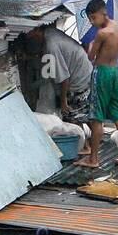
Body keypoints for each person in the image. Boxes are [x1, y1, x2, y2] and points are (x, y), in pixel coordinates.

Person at [26, 26, 93, 155]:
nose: (27, 34)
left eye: (29, 31)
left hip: (78, 77)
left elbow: (64, 78)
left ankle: (85, 146)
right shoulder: (49, 34)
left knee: (72, 115)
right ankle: (90, 142)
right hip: (83, 71)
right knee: (83, 114)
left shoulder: (51, 45)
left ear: (36, 30)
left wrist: (63, 101)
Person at [82, 0, 118, 168]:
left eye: (93, 18)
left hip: (101, 74)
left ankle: (93, 159)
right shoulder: (116, 26)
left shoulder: (102, 34)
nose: (92, 22)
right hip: (115, 72)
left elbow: (91, 56)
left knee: (97, 117)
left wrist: (92, 43)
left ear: (102, 13)